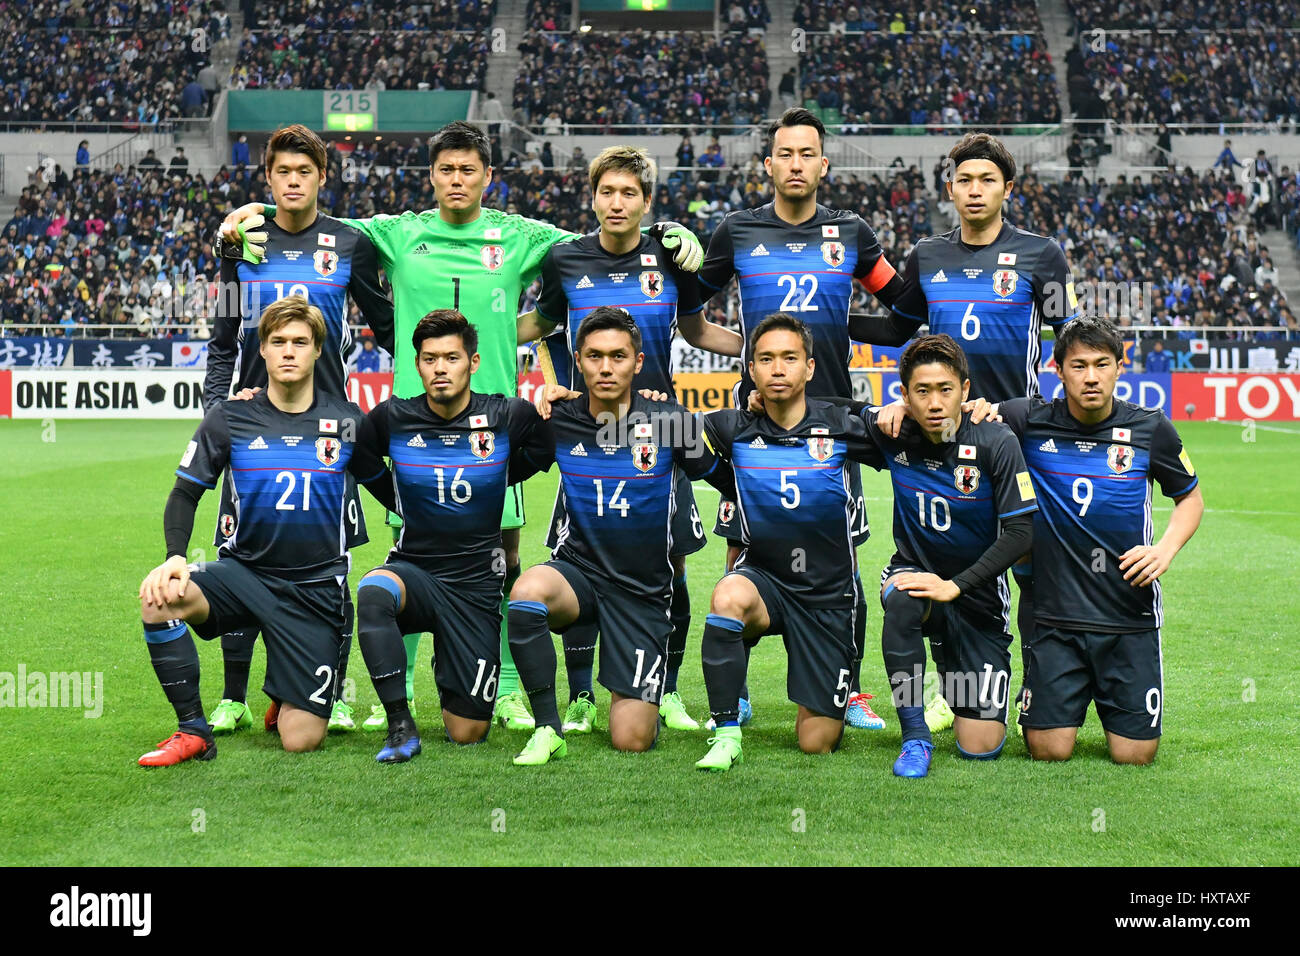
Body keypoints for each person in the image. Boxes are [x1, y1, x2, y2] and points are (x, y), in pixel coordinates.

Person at [217, 121, 704, 734]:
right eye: (446, 170)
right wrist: (244, 213)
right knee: (412, 548)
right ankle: (398, 693)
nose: (456, 180)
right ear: (432, 176)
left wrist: (671, 235)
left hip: (495, 424)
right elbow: (312, 217)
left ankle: (500, 688)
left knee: (502, 552)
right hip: (411, 423)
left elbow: (604, 233)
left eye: (468, 170)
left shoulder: (519, 236)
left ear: (487, 177)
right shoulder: (399, 233)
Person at [850, 131, 1081, 734]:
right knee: (948, 553)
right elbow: (898, 329)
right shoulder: (928, 256)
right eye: (964, 180)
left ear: (1008, 187)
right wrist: (828, 318)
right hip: (944, 435)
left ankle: (1032, 692)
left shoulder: (1042, 255)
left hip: (1014, 436)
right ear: (949, 188)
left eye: (987, 180)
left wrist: (1030, 413)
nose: (974, 191)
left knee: (1031, 565)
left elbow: (1071, 340)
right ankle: (946, 684)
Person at [517, 145, 742, 734]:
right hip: (587, 435)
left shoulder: (671, 257)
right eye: (606, 192)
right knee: (581, 557)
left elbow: (697, 331)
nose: (616, 204)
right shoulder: (565, 260)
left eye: (628, 193)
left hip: (657, 434)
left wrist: (768, 353)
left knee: (672, 565)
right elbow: (540, 329)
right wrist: (532, 375)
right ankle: (581, 697)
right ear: (592, 197)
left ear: (646, 201)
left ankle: (663, 690)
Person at [697, 106, 907, 730]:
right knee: (741, 552)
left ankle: (850, 687)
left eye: (805, 154)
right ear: (769, 165)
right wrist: (753, 354)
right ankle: (731, 693)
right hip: (755, 424)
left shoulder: (852, 235)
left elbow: (901, 313)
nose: (794, 164)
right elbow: (688, 318)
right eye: (783, 154)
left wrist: (839, 329)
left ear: (823, 164)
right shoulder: (736, 231)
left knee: (842, 555)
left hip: (836, 424)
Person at [135, 297, 394, 767]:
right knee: (158, 597)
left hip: (316, 592)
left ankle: (287, 691)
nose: (289, 351)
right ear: (264, 350)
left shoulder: (347, 423)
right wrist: (175, 556)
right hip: (245, 576)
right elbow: (184, 493)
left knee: (301, 740)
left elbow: (391, 492)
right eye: (278, 342)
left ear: (319, 350)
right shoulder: (230, 418)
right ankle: (193, 729)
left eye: (300, 342)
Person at [207, 124, 394, 736]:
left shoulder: (349, 244)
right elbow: (221, 339)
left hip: (328, 435)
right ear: (268, 180)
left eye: (304, 172)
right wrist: (217, 410)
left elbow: (389, 330)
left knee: (330, 562)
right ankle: (234, 694)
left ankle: (333, 691)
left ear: (321, 177)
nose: (293, 181)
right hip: (252, 427)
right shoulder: (242, 242)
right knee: (238, 552)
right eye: (282, 172)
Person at [507, 308, 736, 765]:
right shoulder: (558, 420)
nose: (606, 367)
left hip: (644, 592)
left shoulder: (670, 422)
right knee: (528, 593)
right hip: (579, 576)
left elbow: (726, 479)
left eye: (617, 356)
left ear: (638, 362)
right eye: (594, 356)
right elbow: (501, 467)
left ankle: (637, 693)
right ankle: (549, 728)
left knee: (631, 739)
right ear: (578, 359)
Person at [993, 318, 1203, 764]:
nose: (1091, 376)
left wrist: (1163, 550)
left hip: (1128, 613)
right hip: (1054, 616)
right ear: (1058, 370)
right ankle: (1046, 705)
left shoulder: (1150, 428)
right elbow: (966, 415)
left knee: (1135, 756)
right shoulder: (1026, 420)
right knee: (1049, 751)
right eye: (1079, 365)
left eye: (1102, 364)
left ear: (1119, 368)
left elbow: (1190, 499)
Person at [694, 314, 890, 771]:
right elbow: (663, 428)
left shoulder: (842, 425)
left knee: (816, 742)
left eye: (789, 358)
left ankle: (833, 696)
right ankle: (726, 729)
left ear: (810, 368)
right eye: (765, 359)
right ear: (751, 370)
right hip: (765, 585)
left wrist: (879, 411)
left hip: (827, 598)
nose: (777, 368)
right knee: (727, 593)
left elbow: (916, 438)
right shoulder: (730, 427)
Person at [354, 310, 552, 762]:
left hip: (476, 587)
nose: (439, 368)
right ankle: (399, 724)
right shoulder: (393, 418)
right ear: (417, 364)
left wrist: (497, 475)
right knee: (372, 591)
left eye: (451, 357)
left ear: (473, 362)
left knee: (468, 732)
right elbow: (362, 458)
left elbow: (544, 445)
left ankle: (452, 664)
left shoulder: (505, 414)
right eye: (429, 359)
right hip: (415, 571)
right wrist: (399, 500)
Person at [853, 336, 1037, 777]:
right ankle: (914, 737)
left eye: (945, 389)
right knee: (901, 596)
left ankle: (951, 664)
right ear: (904, 395)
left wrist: (955, 586)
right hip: (916, 577)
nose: (935, 402)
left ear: (965, 389)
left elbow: (1021, 532)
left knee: (981, 746)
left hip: (978, 598)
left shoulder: (996, 441)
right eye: (922, 391)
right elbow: (830, 413)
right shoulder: (894, 435)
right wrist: (874, 412)